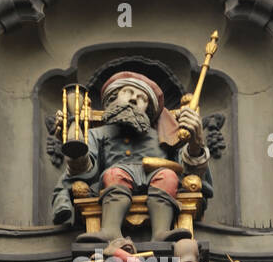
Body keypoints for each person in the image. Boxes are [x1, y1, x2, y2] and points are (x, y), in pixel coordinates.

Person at [52, 70, 210, 239]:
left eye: (142, 98)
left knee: (168, 177)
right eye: (128, 92)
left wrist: (195, 143)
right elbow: (86, 172)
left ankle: (161, 232)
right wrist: (75, 148)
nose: (135, 99)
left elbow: (188, 170)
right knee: (114, 174)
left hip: (157, 174)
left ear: (148, 109)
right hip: (116, 177)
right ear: (112, 98)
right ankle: (110, 231)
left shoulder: (165, 135)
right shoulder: (97, 133)